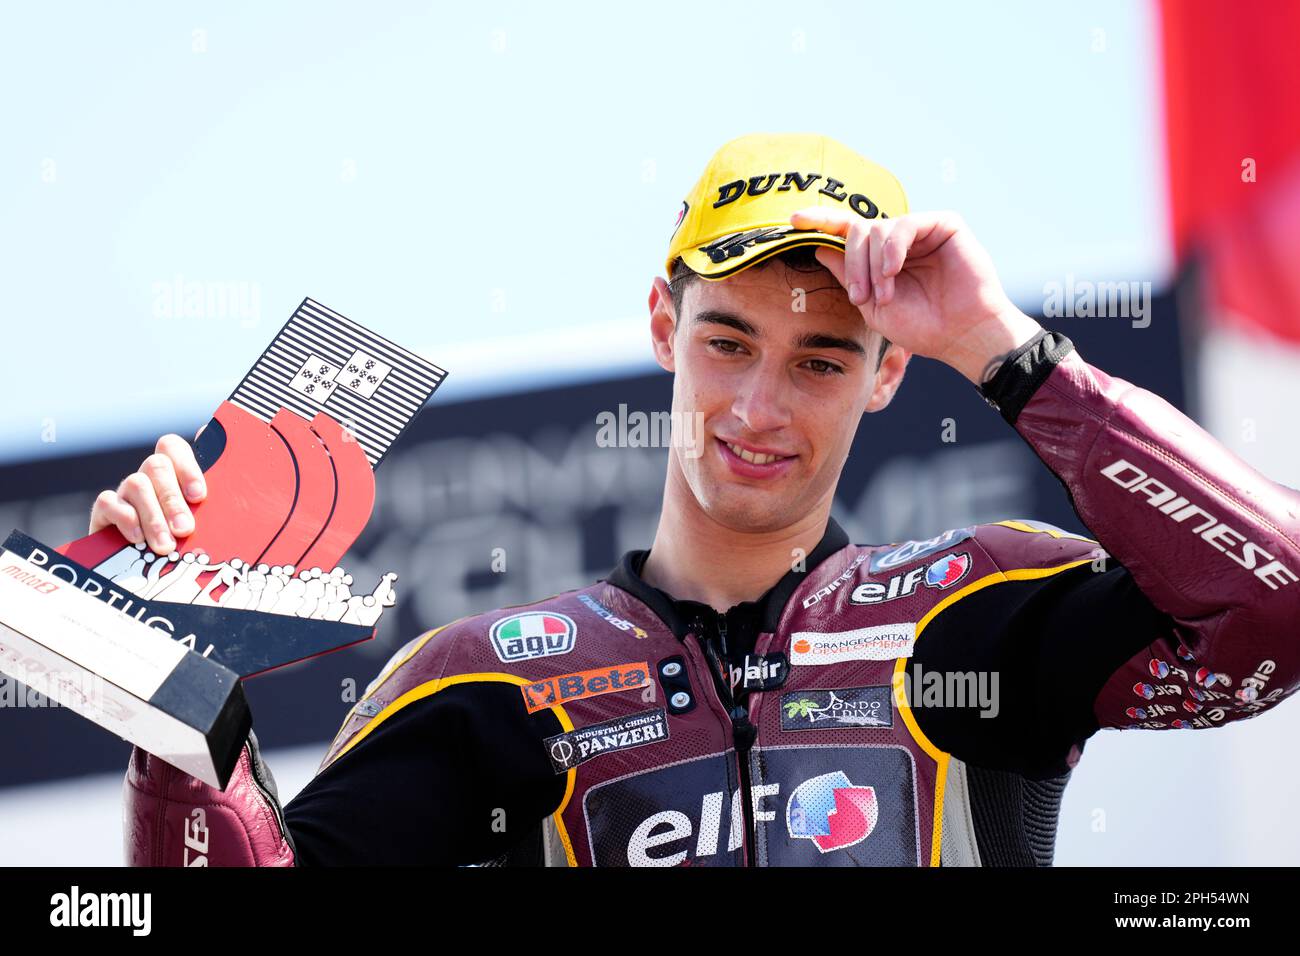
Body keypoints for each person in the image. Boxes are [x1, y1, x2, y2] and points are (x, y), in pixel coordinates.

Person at [107, 132, 1300, 867]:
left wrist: (1009, 351)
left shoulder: (977, 608)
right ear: (662, 327)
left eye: (820, 360)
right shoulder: (483, 684)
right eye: (726, 343)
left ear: (890, 370)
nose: (758, 406)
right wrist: (179, 688)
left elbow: (1273, 605)